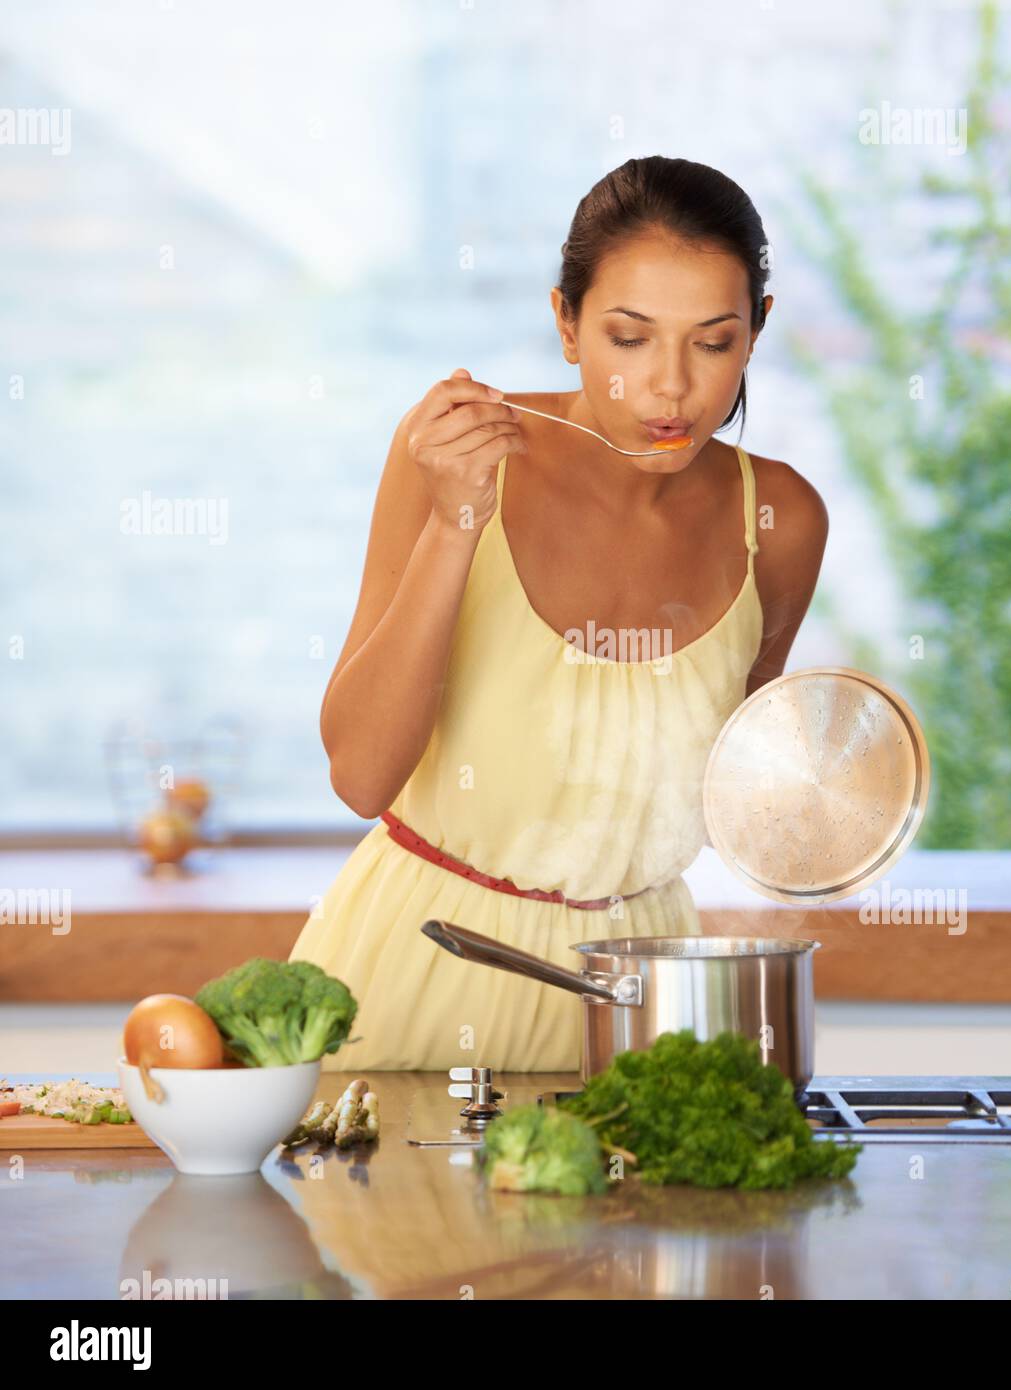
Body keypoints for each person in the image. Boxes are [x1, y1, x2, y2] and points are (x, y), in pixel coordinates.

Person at [289, 155, 829, 1071]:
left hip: (638, 999)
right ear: (566, 323)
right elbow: (361, 776)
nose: (667, 388)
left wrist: (831, 783)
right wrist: (457, 524)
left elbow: (734, 783)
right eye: (629, 338)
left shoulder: (778, 520)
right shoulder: (462, 459)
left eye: (711, 342)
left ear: (756, 333)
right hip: (417, 971)